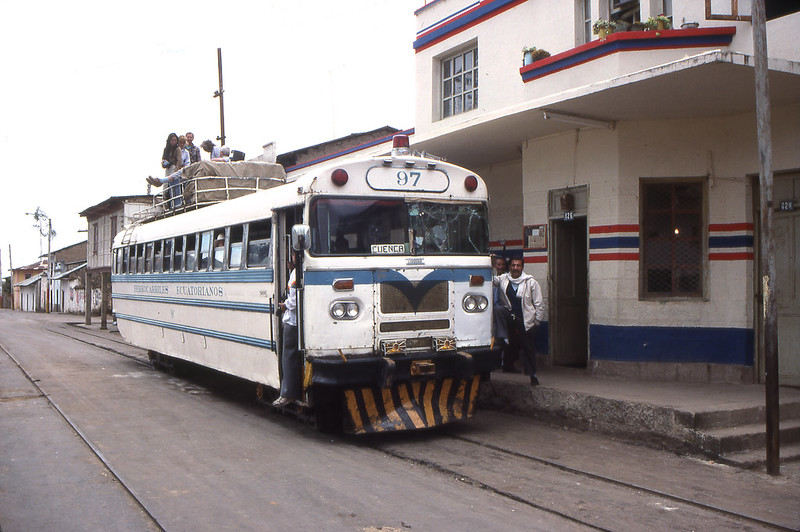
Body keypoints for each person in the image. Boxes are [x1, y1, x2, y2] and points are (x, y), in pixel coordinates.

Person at [497, 257, 544, 385]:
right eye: (513, 265)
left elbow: (539, 303)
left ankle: (532, 375)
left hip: (525, 319)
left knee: (528, 347)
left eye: (518, 266)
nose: (515, 268)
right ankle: (504, 339)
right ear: (509, 267)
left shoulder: (531, 282)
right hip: (511, 316)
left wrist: (537, 321)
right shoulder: (503, 279)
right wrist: (490, 263)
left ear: (522, 267)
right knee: (498, 310)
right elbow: (488, 279)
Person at [273, 254, 302, 407]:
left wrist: (285, 305)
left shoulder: (296, 274)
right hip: (298, 320)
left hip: (292, 321)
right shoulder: (299, 272)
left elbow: (295, 298)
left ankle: (288, 393)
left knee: (288, 357)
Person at [491, 255, 514, 371]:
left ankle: (505, 363)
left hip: (502, 313)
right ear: (495, 266)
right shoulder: (494, 279)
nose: (501, 267)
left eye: (503, 265)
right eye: (499, 264)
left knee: (504, 338)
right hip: (492, 314)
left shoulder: (508, 279)